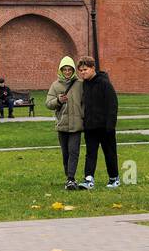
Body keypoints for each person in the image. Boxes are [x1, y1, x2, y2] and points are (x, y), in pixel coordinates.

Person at [77, 57, 119, 189]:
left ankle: (114, 178)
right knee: (90, 153)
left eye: (85, 69)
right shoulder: (85, 84)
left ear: (92, 68)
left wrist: (110, 125)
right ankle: (88, 179)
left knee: (109, 152)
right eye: (81, 70)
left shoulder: (104, 83)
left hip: (105, 126)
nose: (83, 73)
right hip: (90, 126)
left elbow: (113, 104)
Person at [45, 56, 84, 190]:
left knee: (74, 152)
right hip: (62, 125)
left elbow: (85, 103)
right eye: (65, 69)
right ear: (61, 70)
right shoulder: (55, 85)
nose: (67, 72)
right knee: (66, 153)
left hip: (76, 125)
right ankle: (68, 176)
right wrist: (58, 100)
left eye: (70, 69)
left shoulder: (80, 84)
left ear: (73, 70)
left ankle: (71, 179)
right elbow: (48, 104)